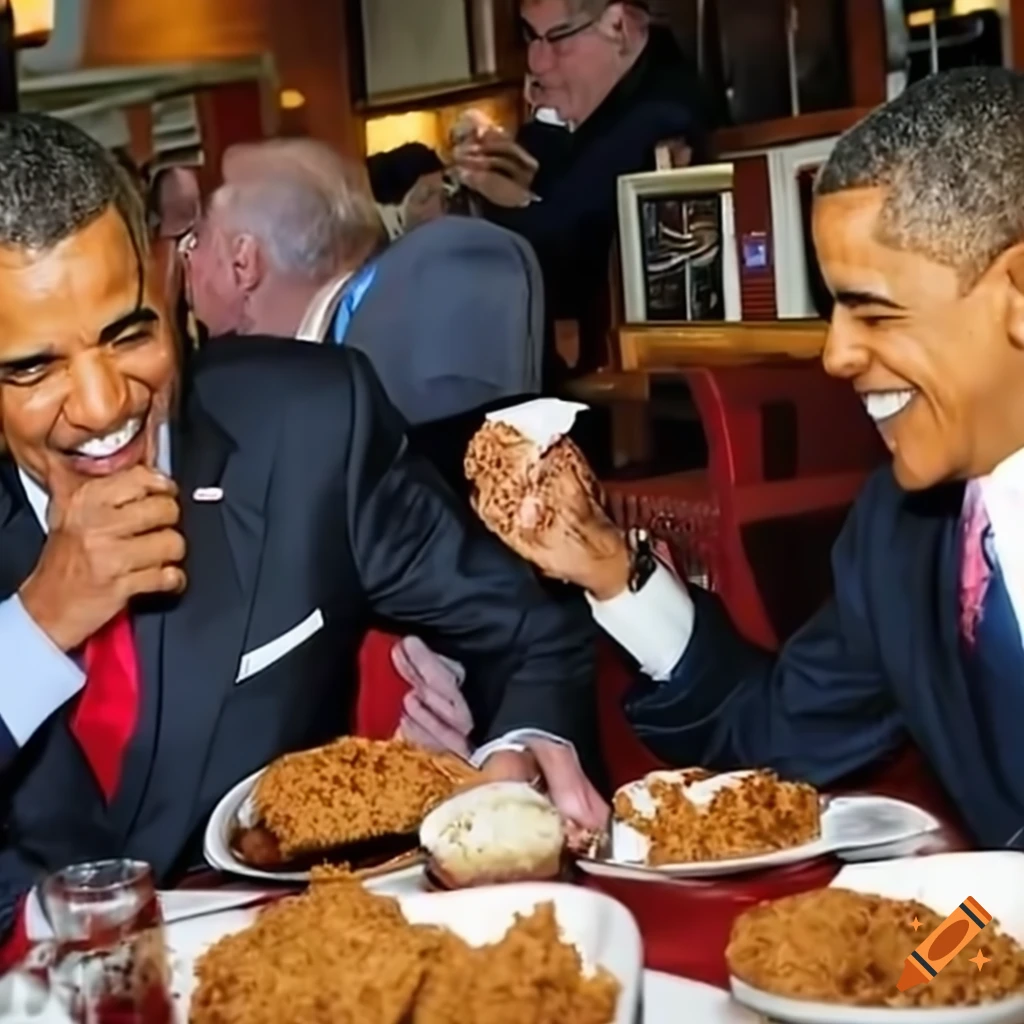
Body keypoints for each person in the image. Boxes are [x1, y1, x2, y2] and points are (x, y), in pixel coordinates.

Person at [0, 113, 606, 959]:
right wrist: (31, 635)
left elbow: (531, 631)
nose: (105, 406)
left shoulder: (314, 425)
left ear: (172, 279)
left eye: (129, 332)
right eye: (32, 366)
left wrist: (514, 745)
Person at [463, 67, 1024, 852]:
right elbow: (776, 743)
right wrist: (606, 567)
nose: (835, 353)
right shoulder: (902, 531)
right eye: (831, 306)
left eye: (873, 309)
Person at [185, 141, 545, 426]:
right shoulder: (264, 383)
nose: (186, 261)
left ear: (242, 262)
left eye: (196, 238)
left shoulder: (435, 273)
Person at [453, 0, 711, 376]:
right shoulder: (616, 110)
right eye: (531, 38)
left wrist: (513, 201)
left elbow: (567, 262)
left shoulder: (662, 115)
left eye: (557, 38)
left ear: (618, 26)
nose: (537, 62)